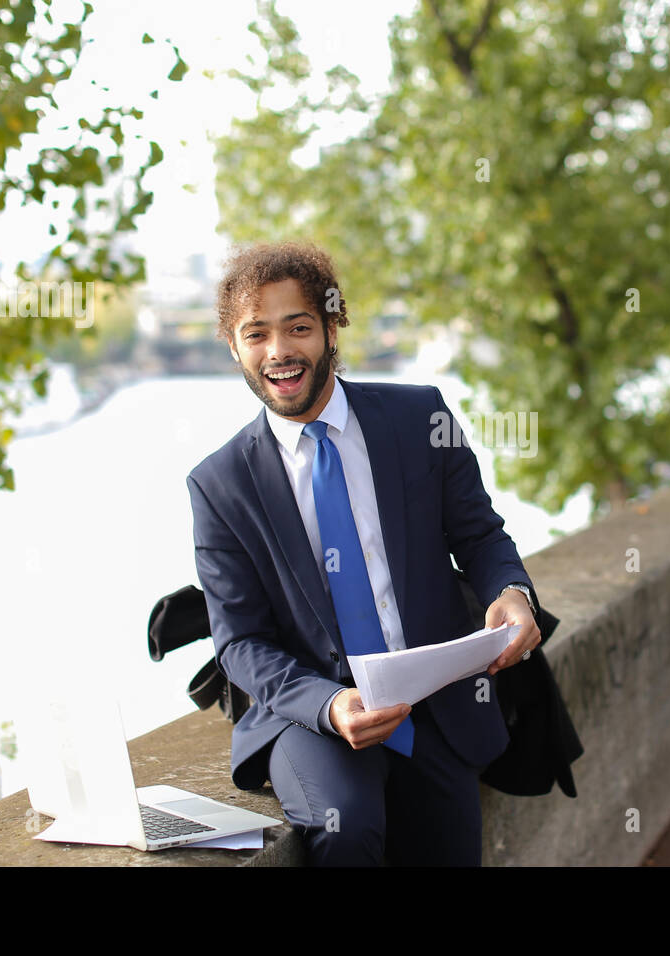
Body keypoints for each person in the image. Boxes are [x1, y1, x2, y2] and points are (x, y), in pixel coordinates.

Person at [185, 240, 541, 866]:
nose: (279, 352)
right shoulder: (218, 485)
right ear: (234, 347)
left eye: (298, 327)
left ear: (331, 326)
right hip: (311, 709)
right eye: (256, 334)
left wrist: (511, 592)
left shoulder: (420, 416)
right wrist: (327, 705)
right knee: (347, 826)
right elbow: (239, 643)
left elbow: (480, 535)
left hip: (432, 699)